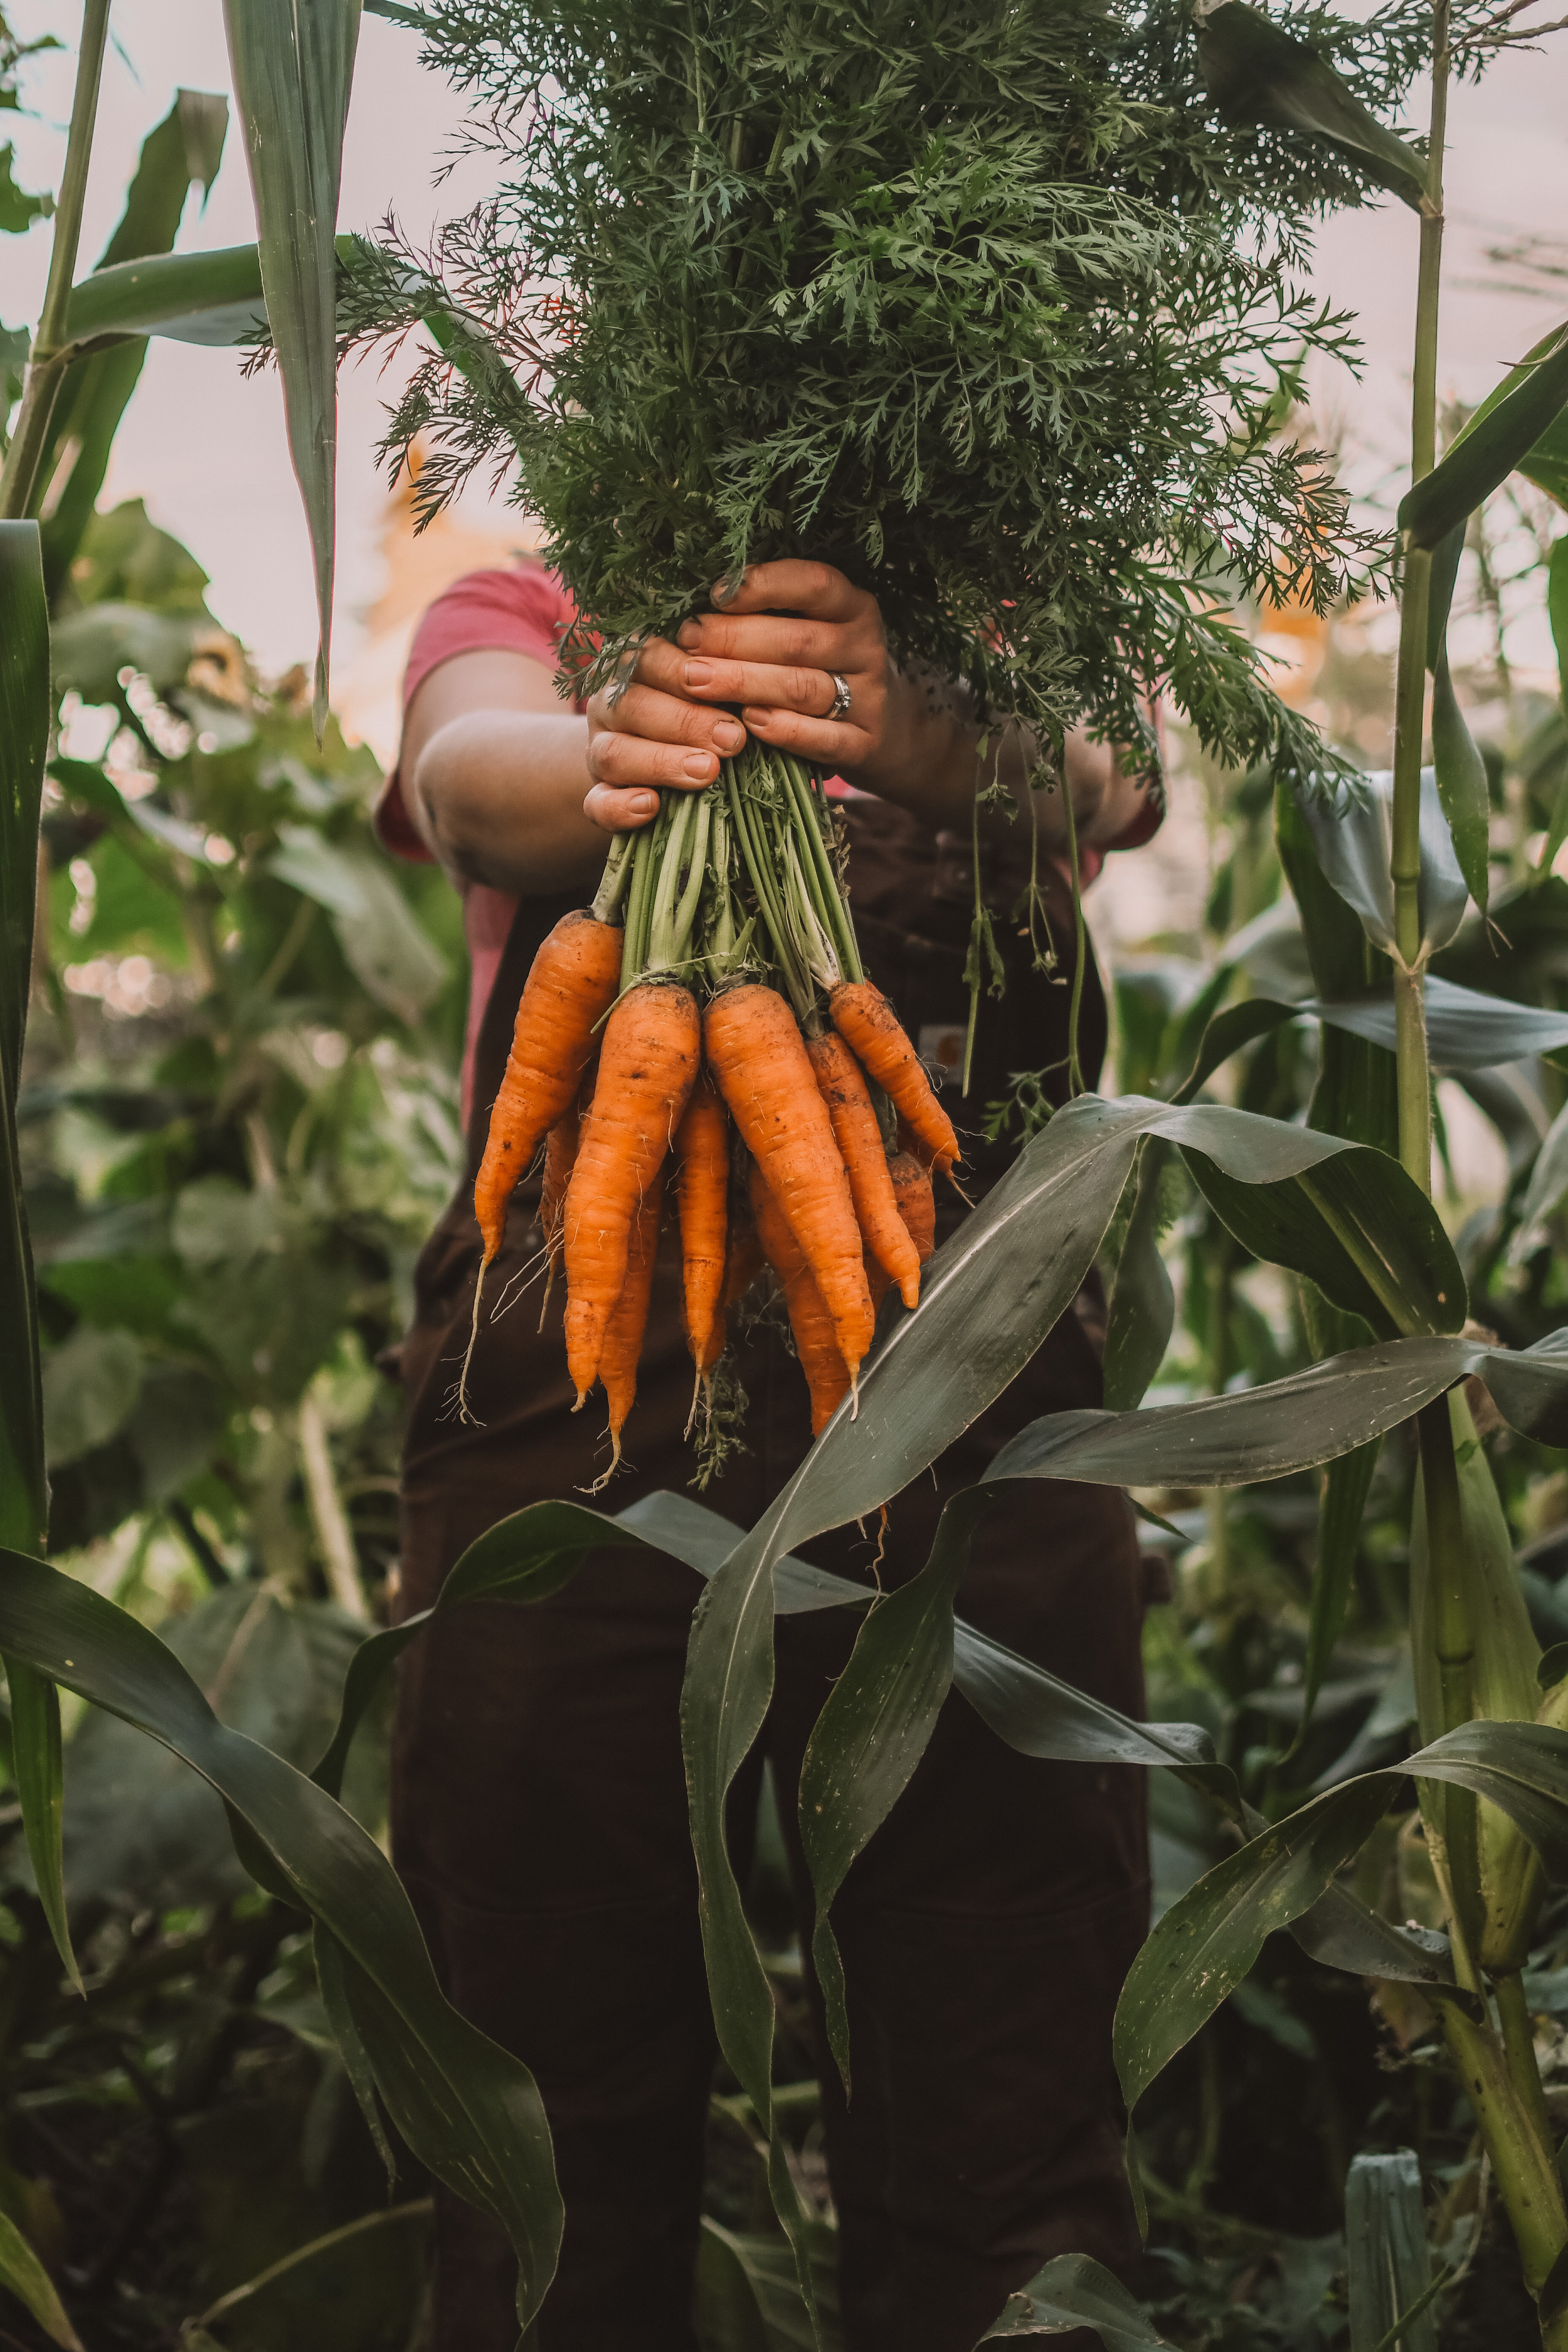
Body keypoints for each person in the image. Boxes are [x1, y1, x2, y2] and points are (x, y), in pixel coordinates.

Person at [378, 556, 1163, 2352]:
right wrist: (613, 749)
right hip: (571, 1372)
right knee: (540, 2075)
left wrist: (924, 728)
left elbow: (1108, 767)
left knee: (1007, 2044)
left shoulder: (1005, 596)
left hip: (968, 1351)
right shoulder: (520, 603)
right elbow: (460, 779)